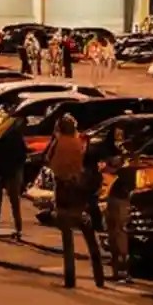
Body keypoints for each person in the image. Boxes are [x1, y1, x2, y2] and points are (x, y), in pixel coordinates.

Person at [46, 115, 104, 288]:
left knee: (67, 236)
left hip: (63, 190)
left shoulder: (59, 142)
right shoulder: (79, 142)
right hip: (78, 190)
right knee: (88, 233)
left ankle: (70, 278)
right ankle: (99, 277)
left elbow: (48, 159)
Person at [103, 126, 137, 282]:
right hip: (114, 199)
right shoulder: (121, 160)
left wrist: (116, 164)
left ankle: (124, 270)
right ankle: (117, 269)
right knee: (113, 234)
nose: (120, 143)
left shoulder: (131, 163)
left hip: (121, 201)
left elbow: (115, 171)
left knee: (120, 234)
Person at [0, 115, 28, 239]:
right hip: (12, 174)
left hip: (0, 173)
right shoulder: (18, 138)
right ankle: (18, 228)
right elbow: (22, 156)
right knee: (15, 203)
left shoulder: (0, 137)